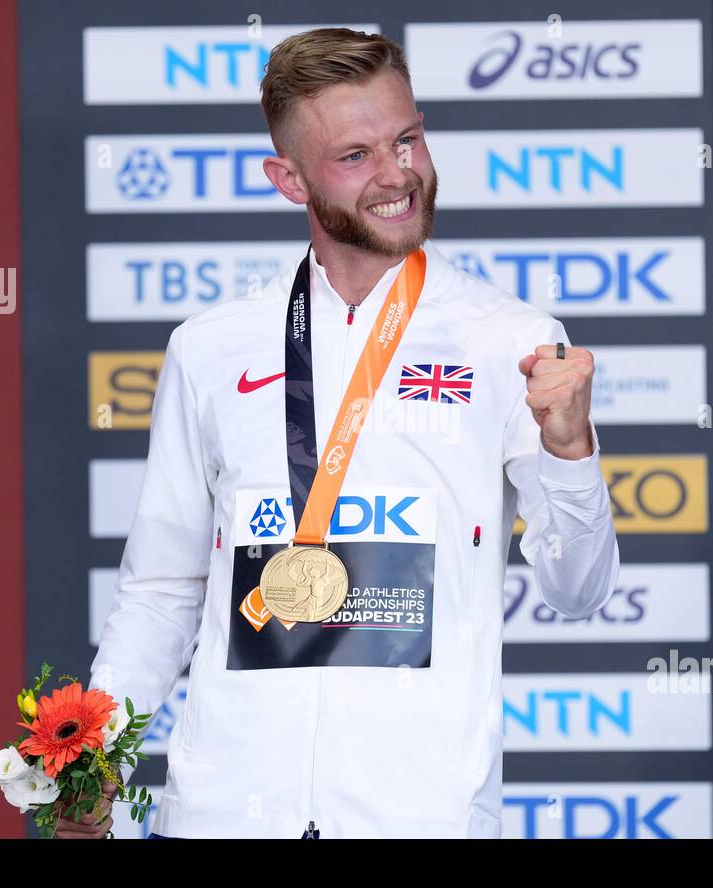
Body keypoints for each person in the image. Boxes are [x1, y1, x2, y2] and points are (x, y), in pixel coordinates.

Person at [69, 27, 619, 839]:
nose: (398, 174)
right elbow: (162, 589)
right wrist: (93, 758)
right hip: (221, 817)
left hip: (420, 818)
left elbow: (581, 591)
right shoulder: (211, 346)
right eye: (355, 155)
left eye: (408, 138)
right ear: (288, 179)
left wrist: (570, 451)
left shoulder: (510, 341)